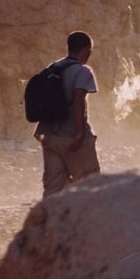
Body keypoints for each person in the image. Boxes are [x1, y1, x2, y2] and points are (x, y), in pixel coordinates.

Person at [34, 31, 101, 197]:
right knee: (90, 184)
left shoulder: (51, 69)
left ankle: (50, 221)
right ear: (86, 50)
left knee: (53, 189)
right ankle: (89, 222)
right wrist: (79, 133)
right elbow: (78, 100)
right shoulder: (82, 71)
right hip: (71, 136)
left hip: (49, 135)